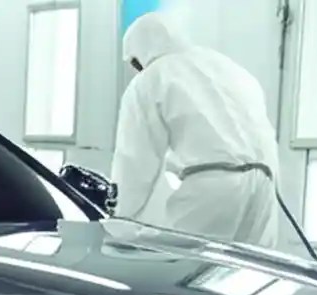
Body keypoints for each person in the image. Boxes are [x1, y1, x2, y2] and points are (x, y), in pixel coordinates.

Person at [111, 12, 280, 248]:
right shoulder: (228, 67)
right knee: (248, 273)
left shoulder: (152, 78)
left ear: (139, 54)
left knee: (179, 266)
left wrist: (120, 221)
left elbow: (135, 160)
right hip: (265, 184)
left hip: (214, 187)